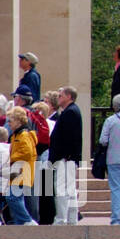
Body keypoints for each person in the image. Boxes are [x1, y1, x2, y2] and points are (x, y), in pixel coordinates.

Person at [48, 86, 82, 224]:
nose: (58, 98)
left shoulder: (70, 112)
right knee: (70, 190)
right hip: (68, 158)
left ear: (69, 96)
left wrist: (66, 155)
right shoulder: (71, 111)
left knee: (62, 189)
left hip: (65, 158)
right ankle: (71, 220)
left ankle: (61, 219)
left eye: (61, 95)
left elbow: (69, 136)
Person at [5, 107, 37, 225]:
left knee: (12, 197)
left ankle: (26, 220)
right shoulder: (17, 135)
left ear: (19, 121)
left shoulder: (23, 135)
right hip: (17, 171)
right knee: (16, 198)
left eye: (11, 120)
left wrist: (12, 158)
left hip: (22, 171)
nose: (9, 123)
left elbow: (27, 152)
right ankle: (21, 222)